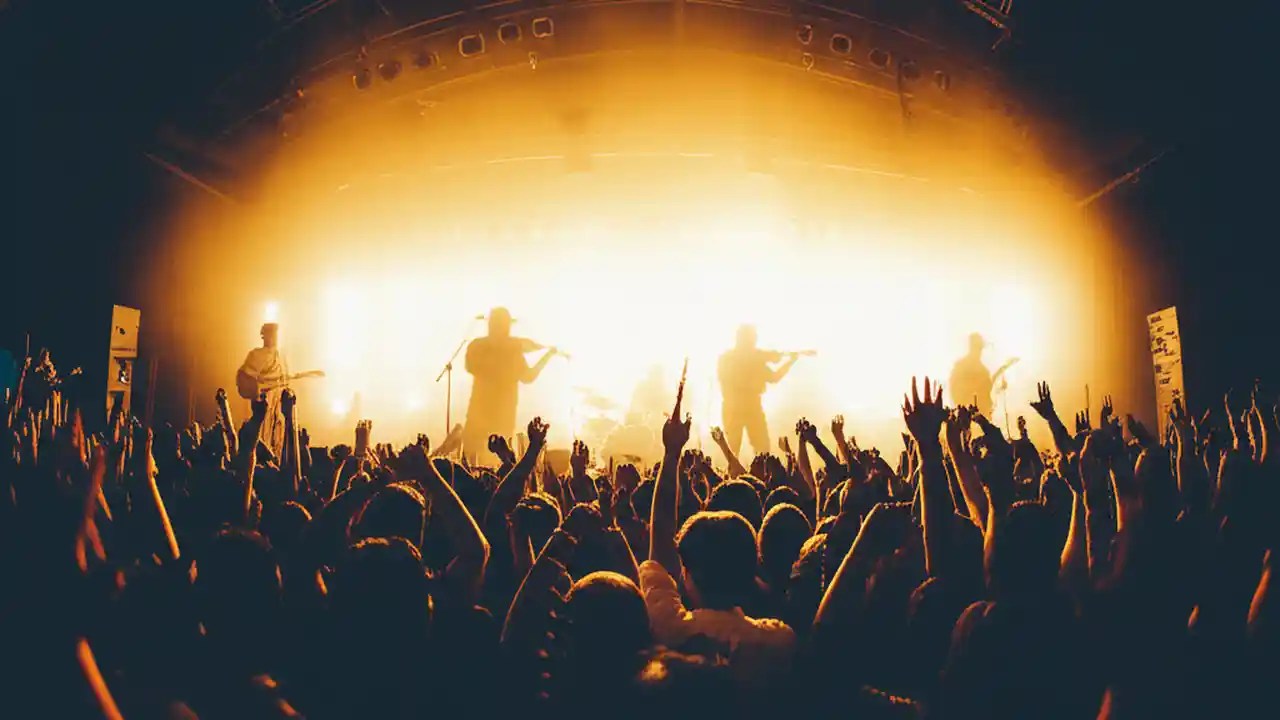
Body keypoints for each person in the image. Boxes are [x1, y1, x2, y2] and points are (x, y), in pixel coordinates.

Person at [462, 307, 560, 463]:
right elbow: (528, 377)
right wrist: (546, 356)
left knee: (475, 459)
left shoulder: (480, 346)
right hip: (495, 415)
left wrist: (545, 355)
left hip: (486, 414)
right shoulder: (501, 349)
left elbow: (470, 367)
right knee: (495, 461)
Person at [717, 325, 802, 457]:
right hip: (740, 407)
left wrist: (788, 361)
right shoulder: (731, 359)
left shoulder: (733, 358)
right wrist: (783, 360)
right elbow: (773, 376)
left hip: (744, 407)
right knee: (734, 451)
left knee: (760, 450)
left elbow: (774, 377)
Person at [237, 322, 286, 455]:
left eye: (276, 335)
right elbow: (243, 378)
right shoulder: (257, 355)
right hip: (263, 403)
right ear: (264, 336)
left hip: (277, 404)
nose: (274, 338)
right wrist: (257, 393)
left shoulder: (280, 356)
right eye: (272, 334)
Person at [947, 333, 1017, 418]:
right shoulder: (961, 366)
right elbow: (956, 391)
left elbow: (987, 391)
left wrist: (999, 387)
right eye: (978, 348)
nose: (979, 352)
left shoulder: (982, 370)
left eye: (980, 348)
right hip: (968, 417)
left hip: (982, 415)